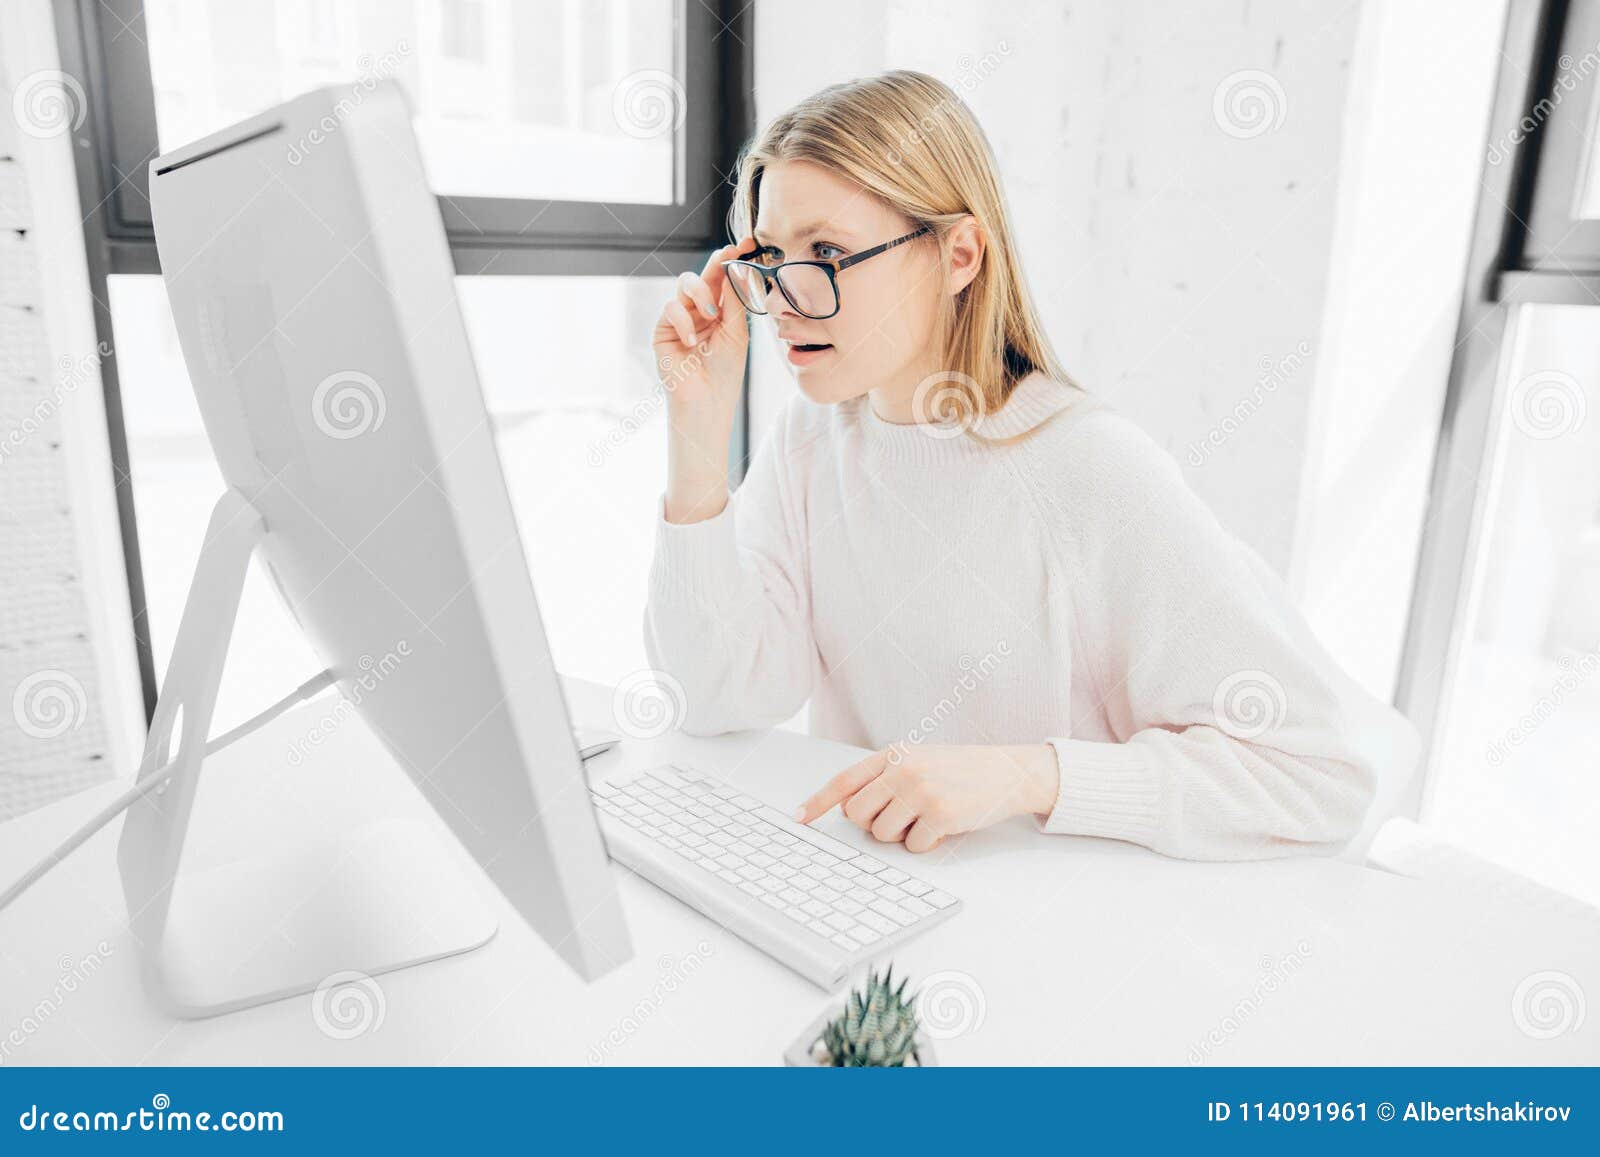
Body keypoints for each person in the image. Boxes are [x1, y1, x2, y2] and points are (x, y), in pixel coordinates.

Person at [642, 70, 1419, 861]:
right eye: (771, 257)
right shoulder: (809, 442)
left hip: (1065, 936)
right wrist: (697, 432)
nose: (783, 299)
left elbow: (1318, 775)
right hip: (885, 905)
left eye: (828, 252)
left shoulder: (1090, 471)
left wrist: (1027, 777)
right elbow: (713, 695)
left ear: (959, 255)